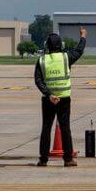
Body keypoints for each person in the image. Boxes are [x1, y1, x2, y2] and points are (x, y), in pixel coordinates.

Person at [35, 27, 87, 167]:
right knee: (65, 128)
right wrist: (82, 37)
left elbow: (38, 80)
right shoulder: (66, 58)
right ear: (61, 45)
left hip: (48, 99)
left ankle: (43, 159)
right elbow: (79, 50)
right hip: (64, 99)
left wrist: (49, 94)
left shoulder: (42, 60)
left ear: (47, 46)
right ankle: (68, 159)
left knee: (46, 127)